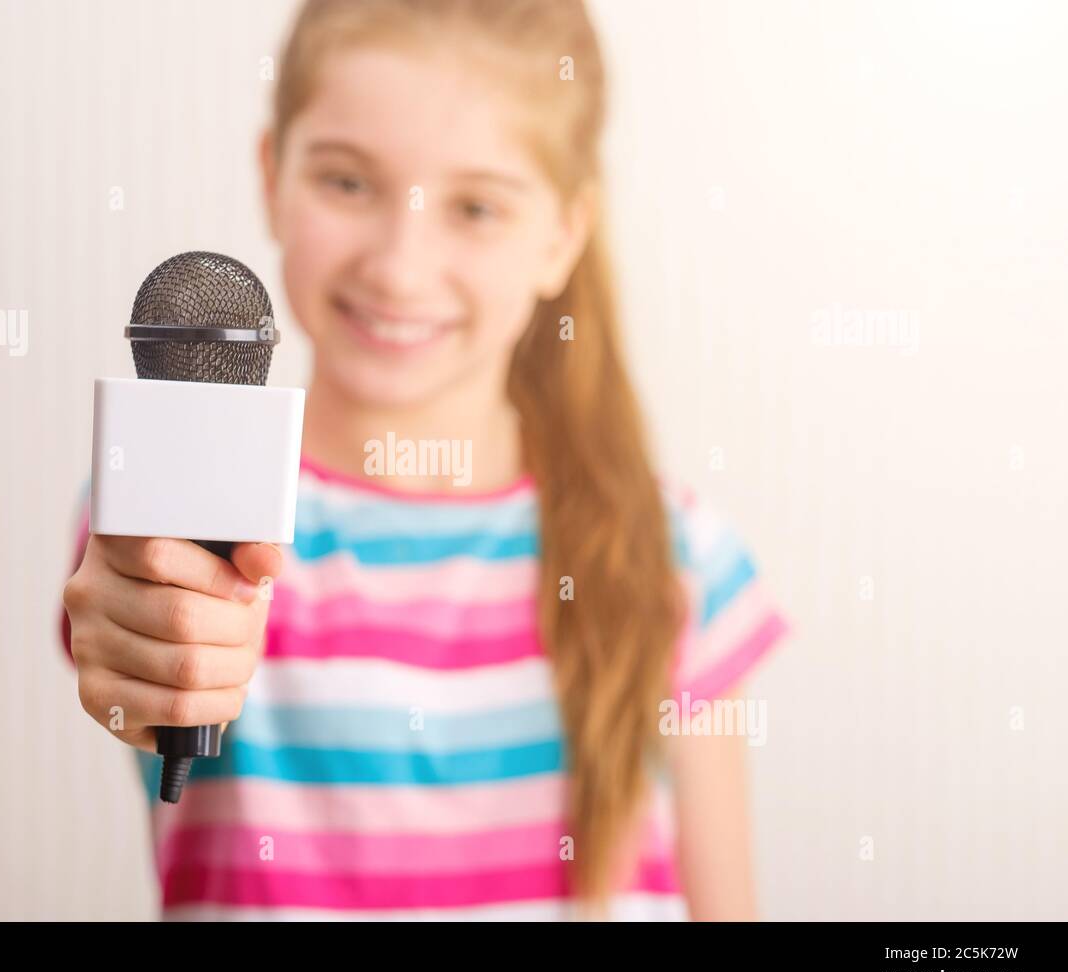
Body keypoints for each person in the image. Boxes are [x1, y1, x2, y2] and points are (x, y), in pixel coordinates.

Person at [61, 0, 790, 921]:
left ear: (562, 234)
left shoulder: (676, 554)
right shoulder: (187, 517)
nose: (401, 268)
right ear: (271, 175)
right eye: (349, 184)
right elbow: (134, 628)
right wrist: (142, 645)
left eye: (476, 206)